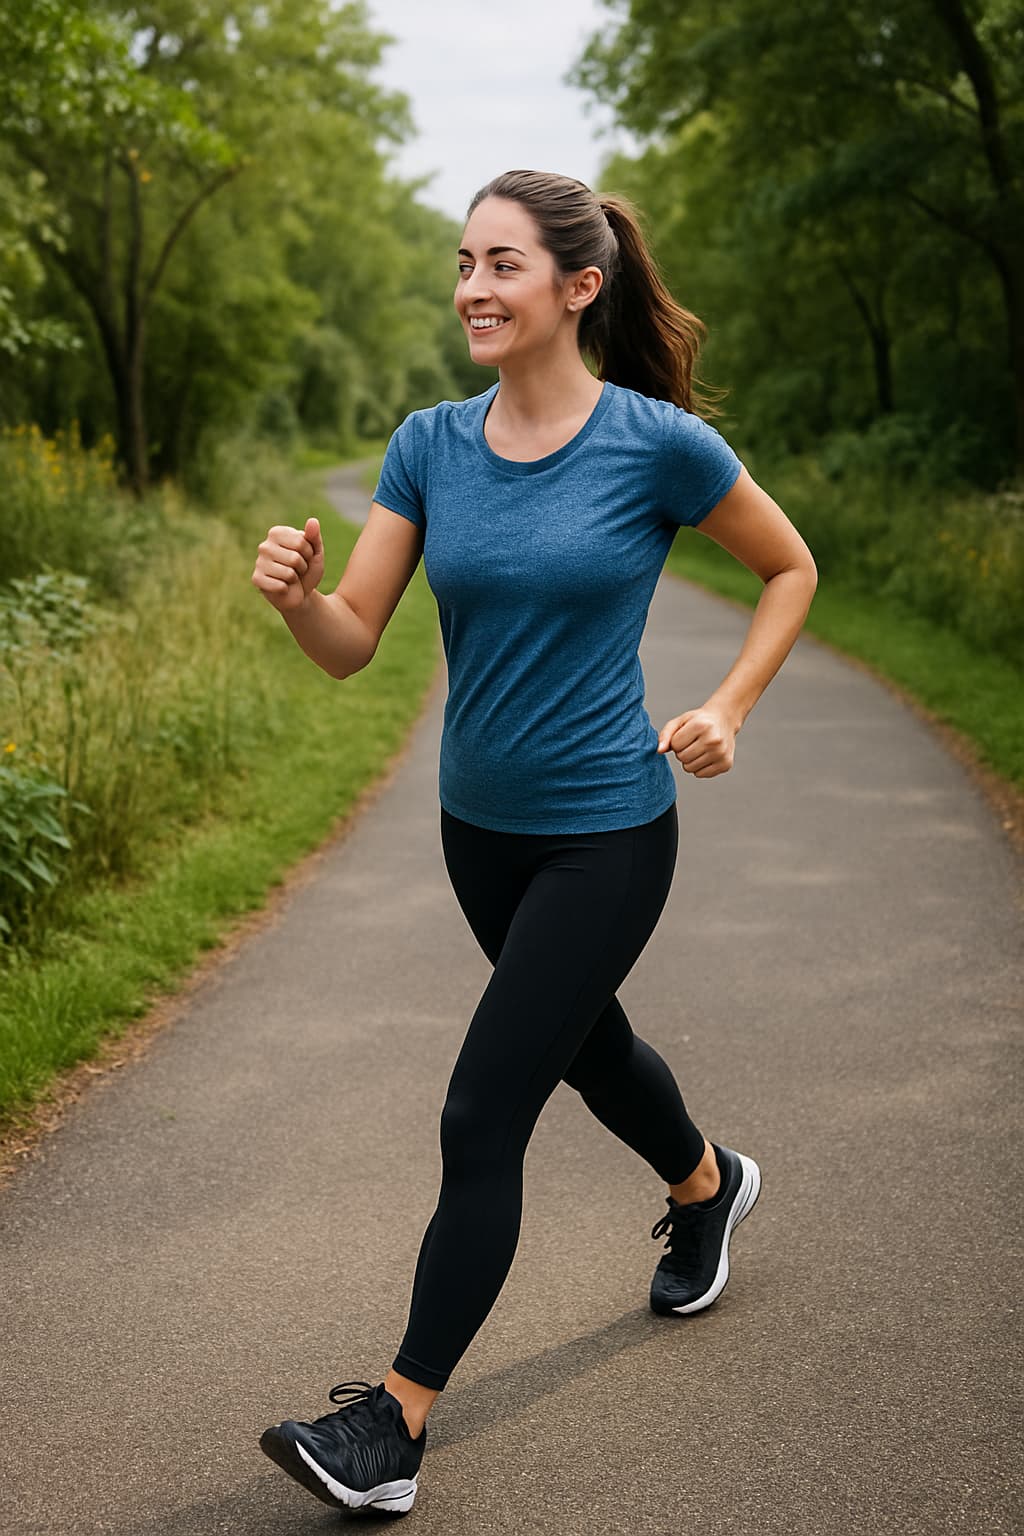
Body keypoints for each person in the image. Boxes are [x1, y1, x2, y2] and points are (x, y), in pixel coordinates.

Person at [251, 168, 817, 1517]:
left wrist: (730, 706)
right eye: (464, 263)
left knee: (483, 1109)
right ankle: (709, 1183)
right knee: (583, 1044)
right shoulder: (428, 445)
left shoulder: (654, 445)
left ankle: (392, 1427)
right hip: (479, 834)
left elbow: (789, 567)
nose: (473, 288)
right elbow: (351, 645)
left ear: (579, 286)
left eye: (502, 264)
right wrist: (300, 599)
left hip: (607, 831)